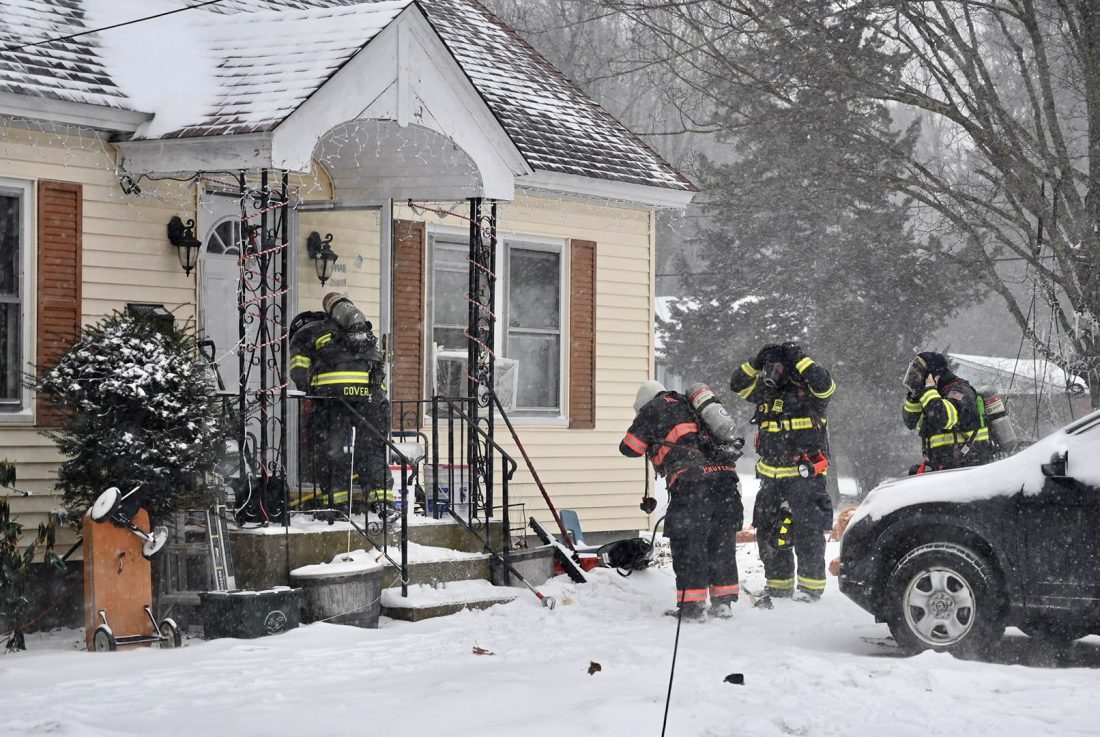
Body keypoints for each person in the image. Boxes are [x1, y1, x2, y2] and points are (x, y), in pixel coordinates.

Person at [618, 380, 743, 623]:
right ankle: (723, 604)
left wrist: (648, 432)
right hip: (726, 483)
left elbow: (630, 447)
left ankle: (693, 608)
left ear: (644, 403)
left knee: (689, 545)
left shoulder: (654, 408)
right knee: (721, 543)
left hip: (694, 485)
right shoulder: (692, 405)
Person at [729, 342, 835, 602]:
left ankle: (810, 590)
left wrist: (798, 357)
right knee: (770, 531)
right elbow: (737, 383)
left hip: (805, 476)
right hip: (771, 478)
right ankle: (779, 587)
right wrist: (756, 360)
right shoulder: (765, 391)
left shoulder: (810, 392)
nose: (771, 373)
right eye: (768, 367)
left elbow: (826, 385)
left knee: (808, 532)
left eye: (776, 367)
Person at [290, 293, 396, 520]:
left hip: (333, 398)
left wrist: (313, 390)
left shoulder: (308, 333)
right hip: (372, 397)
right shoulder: (362, 333)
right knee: (372, 449)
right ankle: (382, 502)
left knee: (332, 449)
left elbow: (299, 372)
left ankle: (336, 505)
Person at [902, 351, 992, 473]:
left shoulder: (959, 391)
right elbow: (911, 422)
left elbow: (943, 419)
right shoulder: (931, 395)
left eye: (918, 375)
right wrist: (914, 395)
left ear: (934, 376)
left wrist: (929, 390)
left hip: (968, 468)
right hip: (943, 468)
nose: (915, 379)